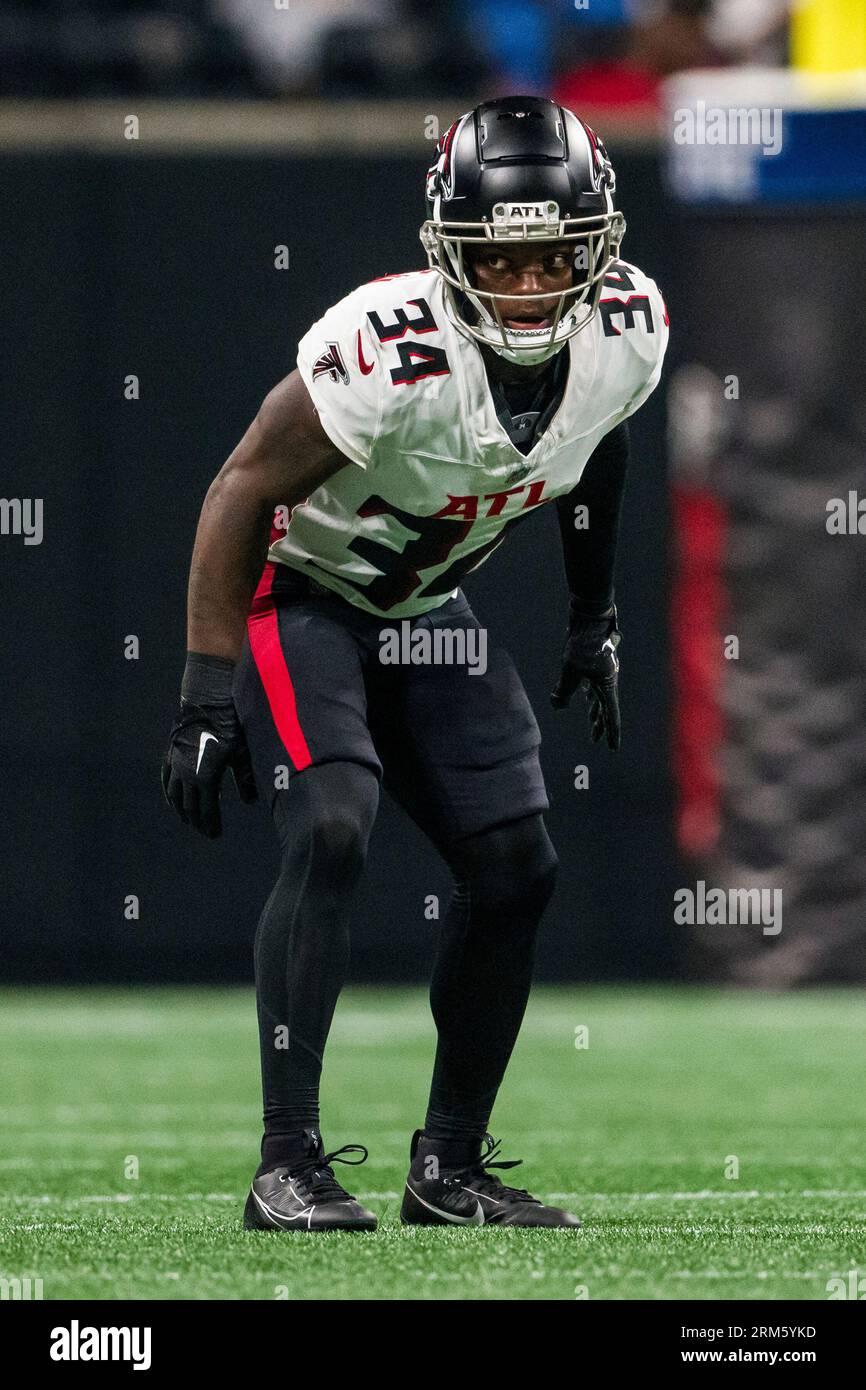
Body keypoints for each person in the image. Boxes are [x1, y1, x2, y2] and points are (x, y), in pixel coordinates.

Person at [162, 94, 669, 1232]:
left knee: (518, 868)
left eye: (553, 258)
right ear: (450, 253)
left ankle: (447, 1168)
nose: (532, 286)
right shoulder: (387, 347)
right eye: (505, 259)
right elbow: (240, 486)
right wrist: (203, 685)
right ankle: (283, 1161)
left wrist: (594, 616)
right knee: (335, 824)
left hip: (423, 604)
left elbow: (598, 448)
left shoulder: (625, 330)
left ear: (597, 250)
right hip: (299, 597)